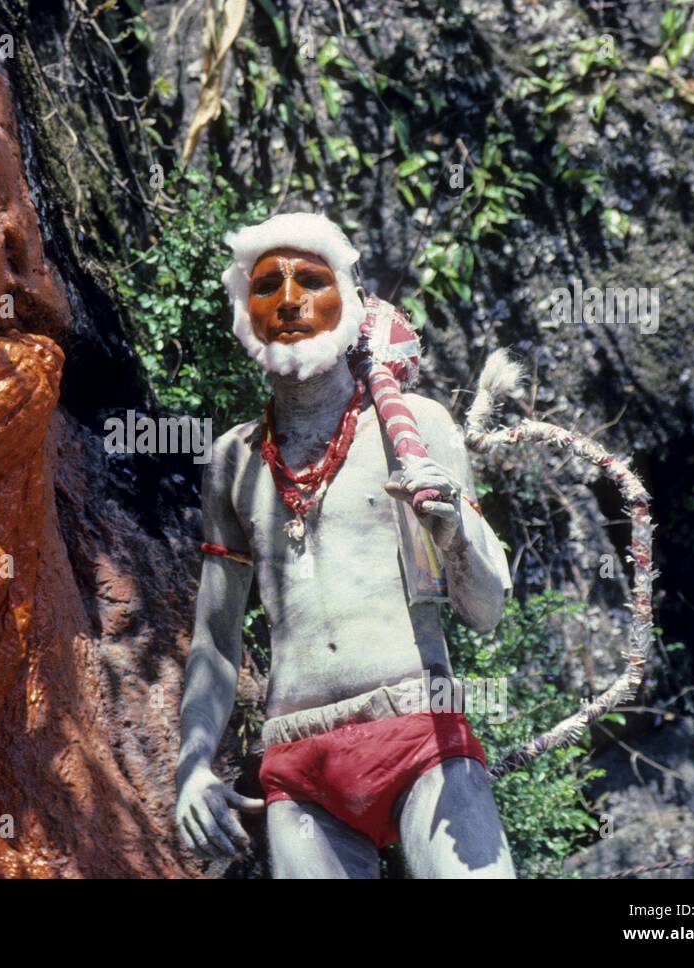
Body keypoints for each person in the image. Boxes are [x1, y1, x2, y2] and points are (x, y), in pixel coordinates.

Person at [175, 212, 516, 878]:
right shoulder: (231, 462)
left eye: (311, 279)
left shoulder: (415, 429)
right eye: (268, 283)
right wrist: (191, 767)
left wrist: (453, 533)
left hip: (422, 731)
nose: (292, 300)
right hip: (300, 763)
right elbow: (215, 641)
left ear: (350, 302)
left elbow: (488, 609)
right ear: (245, 311)